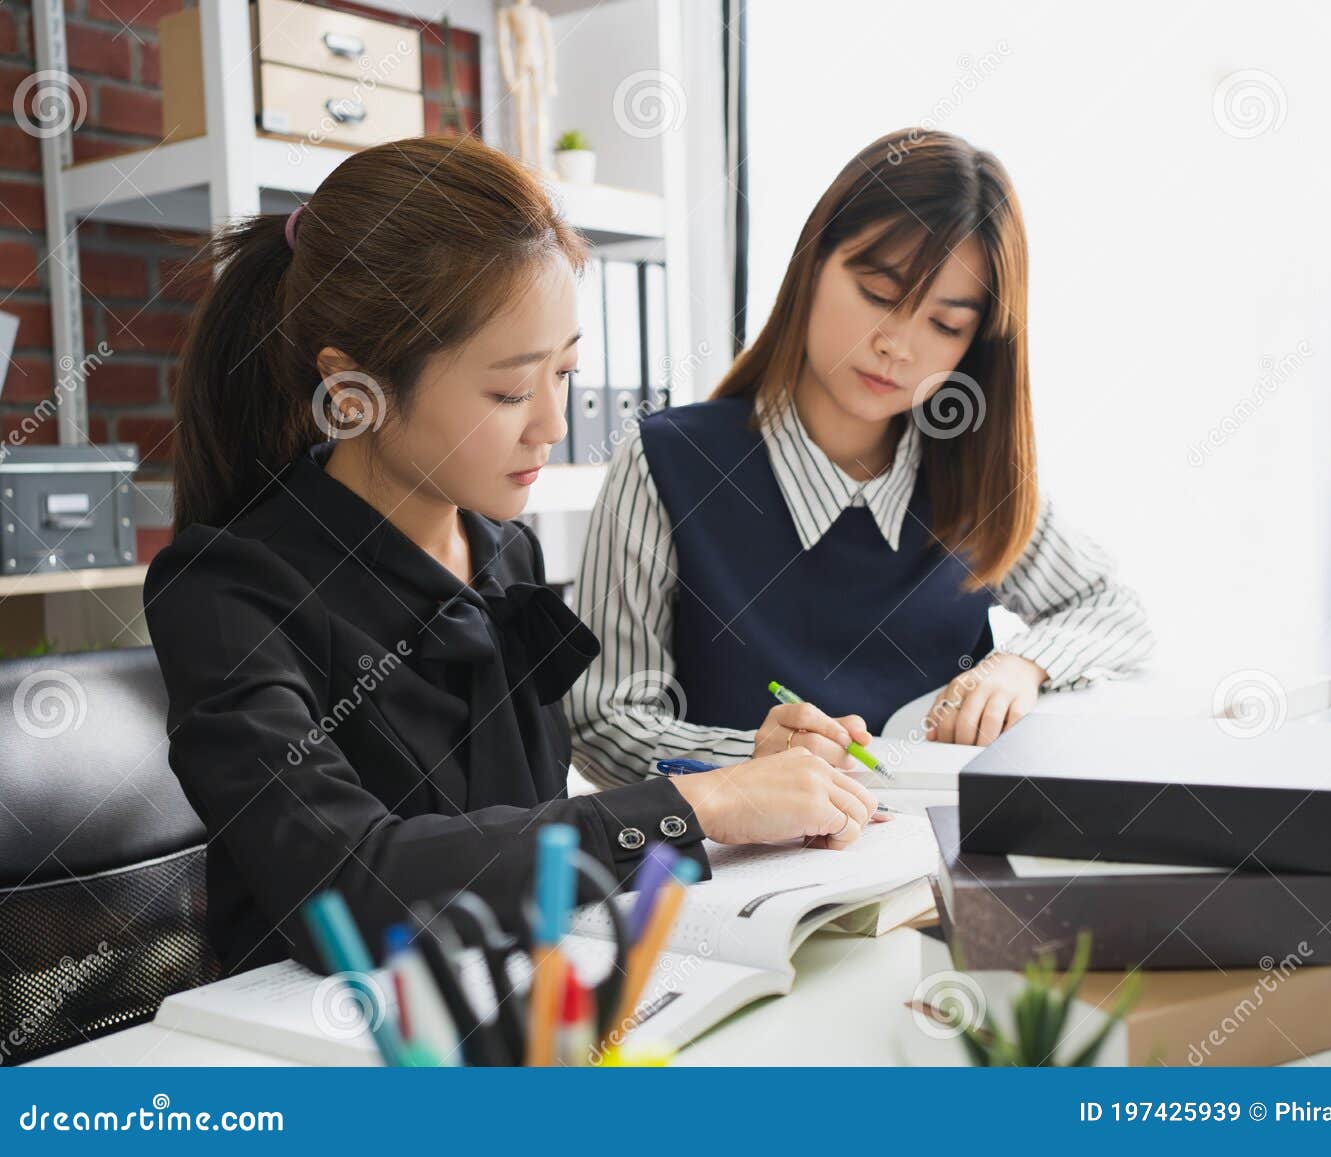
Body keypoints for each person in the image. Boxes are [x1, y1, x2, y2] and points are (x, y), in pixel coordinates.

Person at [144, 136, 879, 976]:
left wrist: (739, 776)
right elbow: (348, 891)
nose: (553, 425)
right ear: (352, 393)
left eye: (565, 373)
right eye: (509, 391)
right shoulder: (227, 589)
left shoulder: (504, 554)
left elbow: (518, 830)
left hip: (513, 1003)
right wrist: (697, 804)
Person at [568, 129, 1154, 788]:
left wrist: (1020, 664)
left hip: (931, 861)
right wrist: (754, 763)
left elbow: (1116, 611)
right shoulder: (668, 462)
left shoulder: (972, 476)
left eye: (945, 325)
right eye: (879, 293)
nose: (898, 346)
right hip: (744, 870)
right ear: (813, 264)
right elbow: (602, 723)